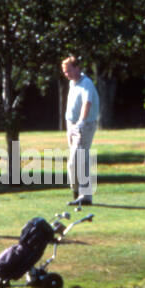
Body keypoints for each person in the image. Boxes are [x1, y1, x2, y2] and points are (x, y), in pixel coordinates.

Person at [61, 56, 99, 205]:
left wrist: (81, 122)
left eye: (69, 70)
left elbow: (86, 103)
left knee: (80, 159)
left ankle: (85, 195)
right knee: (72, 162)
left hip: (84, 125)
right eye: (64, 72)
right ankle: (78, 193)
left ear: (78, 68)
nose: (67, 74)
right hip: (71, 125)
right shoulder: (72, 83)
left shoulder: (86, 83)